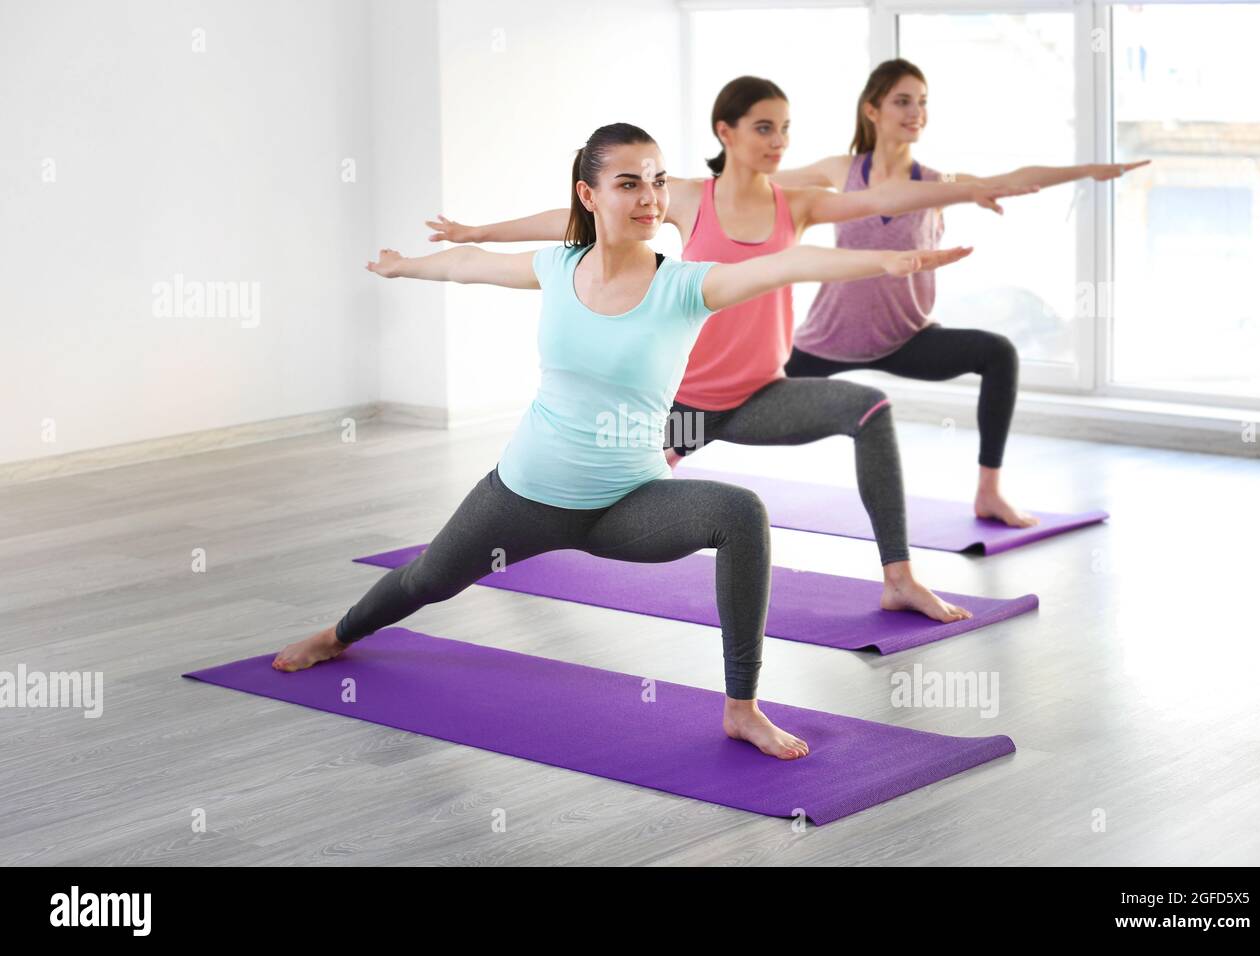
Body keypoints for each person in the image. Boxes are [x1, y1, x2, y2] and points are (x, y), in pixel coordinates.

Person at [271, 122, 974, 760]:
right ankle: (338, 635)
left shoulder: (686, 287)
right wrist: (406, 266)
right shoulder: (555, 265)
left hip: (627, 505)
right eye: (630, 182)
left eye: (660, 180)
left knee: (740, 514)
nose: (651, 197)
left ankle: (741, 707)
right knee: (427, 580)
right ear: (590, 192)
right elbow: (468, 266)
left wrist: (881, 266)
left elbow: (786, 265)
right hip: (522, 496)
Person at [428, 77, 1032, 622]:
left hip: (758, 396)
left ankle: (899, 578)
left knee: (870, 408)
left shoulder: (797, 202)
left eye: (786, 129)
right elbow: (576, 217)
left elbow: (884, 199)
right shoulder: (687, 197)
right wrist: (481, 233)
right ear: (727, 131)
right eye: (764, 127)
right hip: (683, 403)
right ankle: (517, 544)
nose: (779, 142)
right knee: (596, 492)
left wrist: (969, 189)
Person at [775, 59, 1149, 526]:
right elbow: (761, 182)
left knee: (998, 353)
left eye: (923, 102)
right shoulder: (842, 170)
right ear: (872, 109)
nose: (917, 112)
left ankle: (989, 491)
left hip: (904, 338)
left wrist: (1089, 170)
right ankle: (668, 456)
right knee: (739, 388)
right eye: (903, 101)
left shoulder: (939, 184)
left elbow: (1009, 179)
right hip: (830, 338)